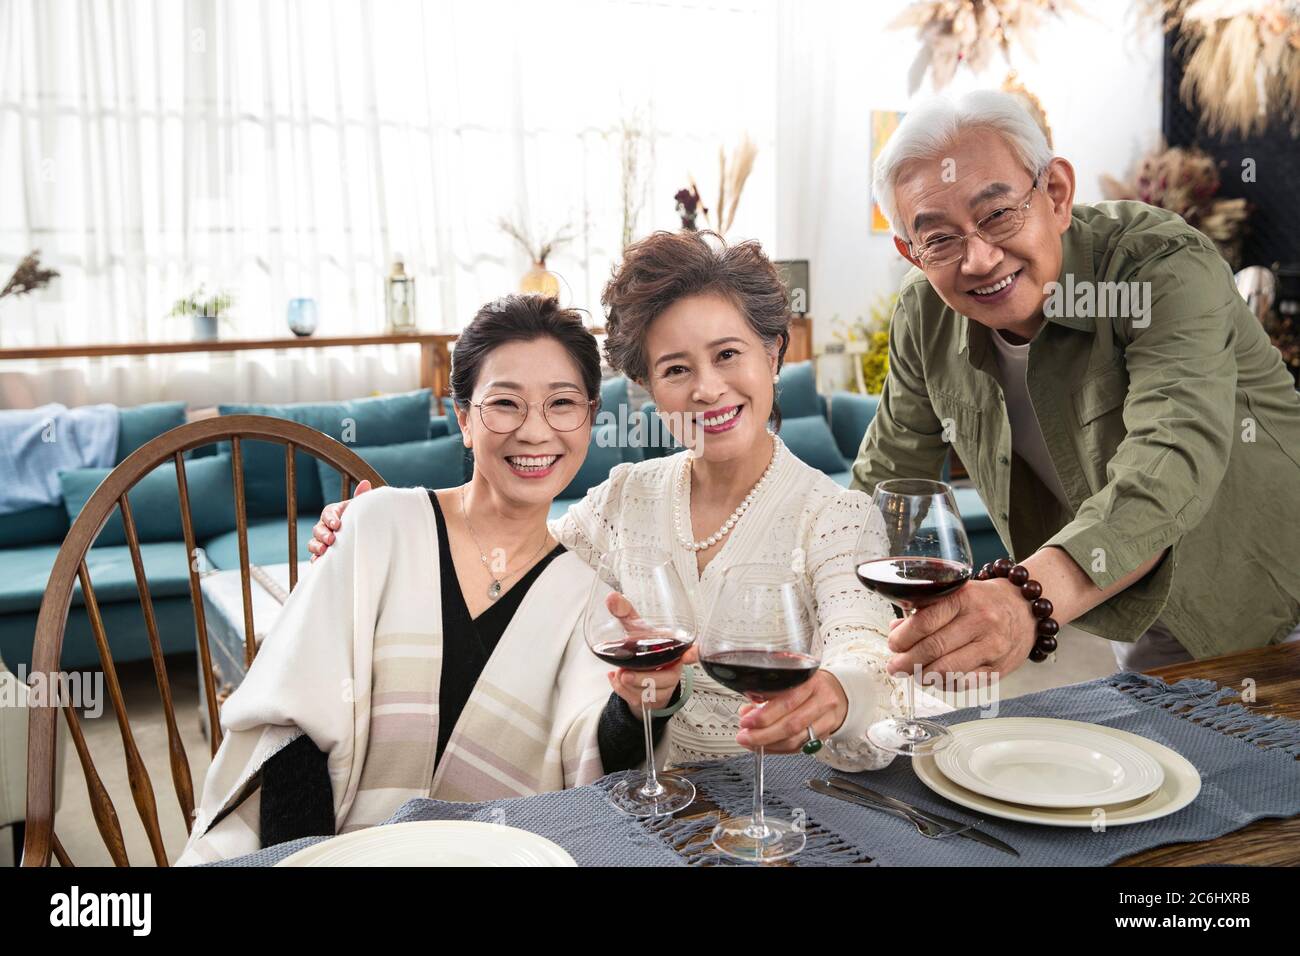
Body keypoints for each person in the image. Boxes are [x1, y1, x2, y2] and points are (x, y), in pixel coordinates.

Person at [312, 231, 929, 773]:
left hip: (783, 811)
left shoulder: (837, 517)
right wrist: (385, 530)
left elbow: (870, 662)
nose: (707, 388)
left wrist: (836, 697)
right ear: (648, 388)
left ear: (772, 353)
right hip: (640, 802)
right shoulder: (627, 495)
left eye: (728, 355)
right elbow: (520, 575)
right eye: (676, 369)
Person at [177, 296, 674, 864]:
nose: (536, 431)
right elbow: (292, 727)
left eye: (562, 404)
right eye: (505, 404)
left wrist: (641, 704)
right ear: (463, 419)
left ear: (589, 418)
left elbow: (590, 754)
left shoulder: (587, 593)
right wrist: (307, 857)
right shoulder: (376, 526)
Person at [853, 89, 1300, 680]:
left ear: (1057, 193)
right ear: (911, 253)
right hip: (1143, 616)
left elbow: (1170, 456)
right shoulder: (924, 316)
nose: (980, 259)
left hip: (1279, 599)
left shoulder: (1160, 266)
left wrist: (1021, 599)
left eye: (996, 214)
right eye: (939, 238)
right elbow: (881, 489)